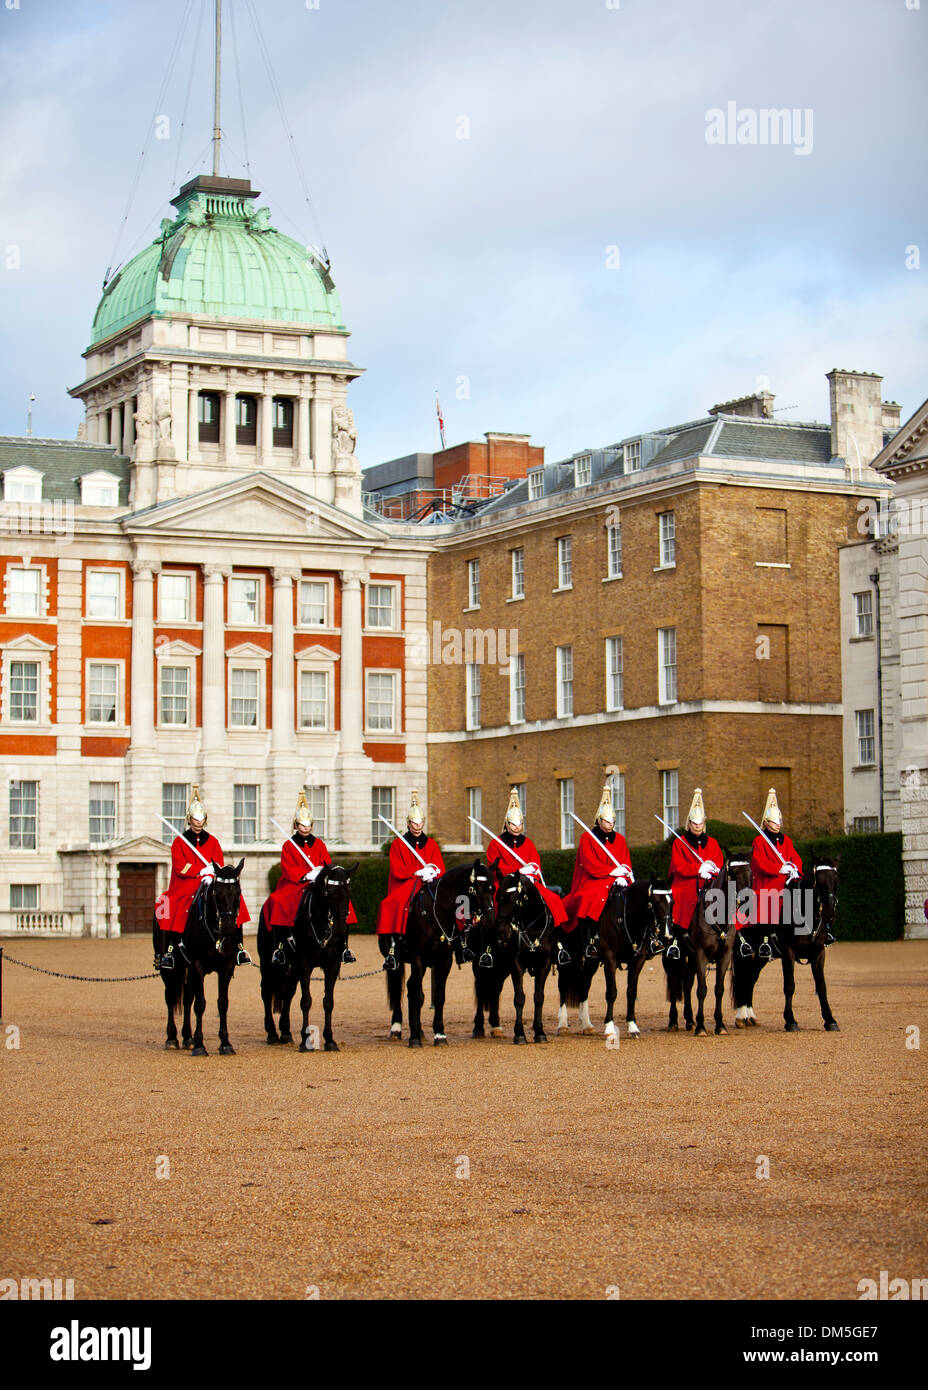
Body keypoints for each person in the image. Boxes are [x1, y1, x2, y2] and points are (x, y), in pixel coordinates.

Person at [153, 786, 251, 970]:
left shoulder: (213, 841)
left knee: (236, 902)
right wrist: (200, 871)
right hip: (186, 884)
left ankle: (238, 946)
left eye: (201, 819)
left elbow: (219, 864)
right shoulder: (179, 842)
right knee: (166, 904)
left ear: (205, 820)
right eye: (195, 819)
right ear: (189, 820)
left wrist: (211, 873)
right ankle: (169, 950)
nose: (198, 822)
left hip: (210, 881)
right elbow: (180, 866)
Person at [263, 791, 357, 965]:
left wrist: (321, 874)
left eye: (308, 826)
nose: (305, 828)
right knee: (278, 901)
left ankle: (344, 946)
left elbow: (326, 863)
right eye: (302, 825)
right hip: (296, 883)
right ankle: (280, 947)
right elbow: (287, 868)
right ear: (296, 825)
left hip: (318, 883)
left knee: (344, 903)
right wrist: (305, 875)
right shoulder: (289, 845)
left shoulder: (319, 843)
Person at [486, 788, 571, 964]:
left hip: (528, 884)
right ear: (506, 824)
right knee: (494, 906)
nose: (517, 828)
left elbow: (536, 862)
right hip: (506, 885)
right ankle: (489, 948)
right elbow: (494, 868)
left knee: (553, 899)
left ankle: (558, 943)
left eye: (519, 825)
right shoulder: (496, 844)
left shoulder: (528, 842)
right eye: (513, 824)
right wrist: (517, 872)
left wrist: (532, 870)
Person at [562, 784, 633, 961]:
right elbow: (588, 862)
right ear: (599, 820)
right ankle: (591, 937)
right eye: (607, 821)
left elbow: (625, 861)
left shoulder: (620, 839)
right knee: (592, 896)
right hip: (595, 879)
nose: (610, 825)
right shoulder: (588, 837)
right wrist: (611, 872)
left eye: (613, 822)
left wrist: (623, 873)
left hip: (618, 879)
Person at [376, 791, 445, 971]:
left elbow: (440, 867)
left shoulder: (431, 844)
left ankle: (459, 942)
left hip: (429, 883)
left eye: (420, 822)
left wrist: (433, 871)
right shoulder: (399, 844)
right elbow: (397, 870)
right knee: (390, 903)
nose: (417, 826)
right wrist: (417, 871)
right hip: (408, 883)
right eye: (414, 822)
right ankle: (391, 946)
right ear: (408, 823)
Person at [665, 788, 723, 962]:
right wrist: (698, 869)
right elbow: (678, 866)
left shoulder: (712, 843)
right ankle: (677, 938)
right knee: (684, 896)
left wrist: (714, 870)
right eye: (694, 823)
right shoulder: (679, 843)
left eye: (700, 823)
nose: (697, 826)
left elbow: (719, 862)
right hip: (687, 882)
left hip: (709, 883)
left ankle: (733, 938)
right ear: (689, 823)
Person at [748, 787, 803, 958]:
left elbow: (796, 857)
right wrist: (779, 868)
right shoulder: (759, 841)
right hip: (768, 884)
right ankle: (765, 941)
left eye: (779, 821)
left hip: (786, 883)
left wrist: (795, 869)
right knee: (767, 900)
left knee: (807, 898)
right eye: (773, 822)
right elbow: (760, 863)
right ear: (766, 822)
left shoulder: (786, 840)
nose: (777, 824)